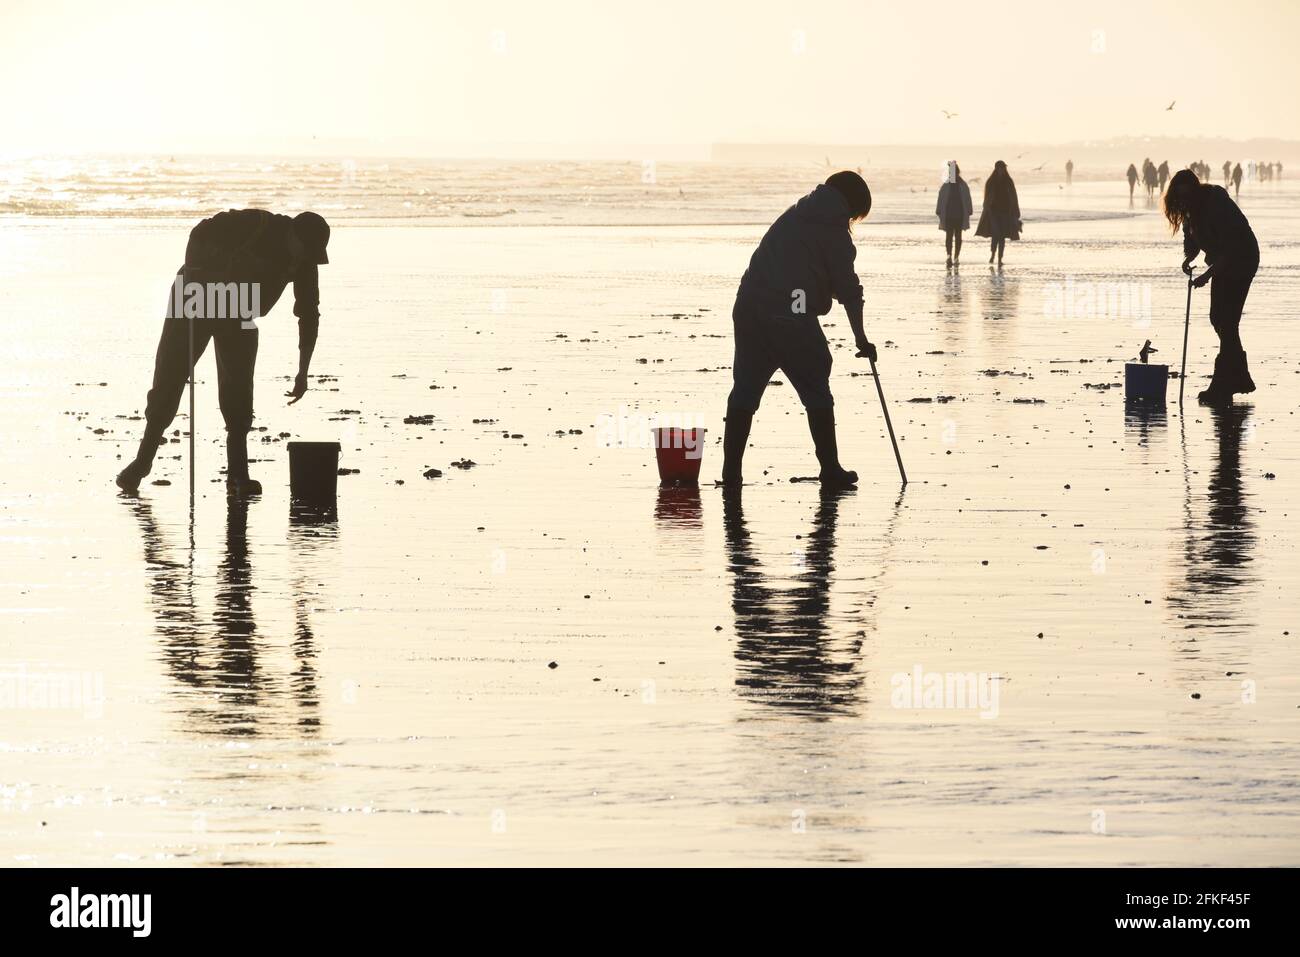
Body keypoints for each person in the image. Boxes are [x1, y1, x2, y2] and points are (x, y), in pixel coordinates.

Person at [115, 209, 330, 494]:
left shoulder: (304, 261)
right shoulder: (257, 224)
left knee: (239, 388)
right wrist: (198, 271)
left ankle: (238, 475)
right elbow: (199, 233)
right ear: (293, 235)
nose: (306, 259)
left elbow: (308, 314)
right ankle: (141, 464)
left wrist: (303, 371)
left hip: (241, 306)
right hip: (198, 296)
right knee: (170, 376)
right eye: (306, 251)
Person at [721, 171, 876, 488]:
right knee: (816, 384)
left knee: (745, 390)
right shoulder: (834, 231)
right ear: (852, 205)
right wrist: (861, 339)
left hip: (750, 304)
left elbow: (797, 269)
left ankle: (730, 473)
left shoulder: (795, 213)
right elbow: (848, 290)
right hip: (791, 313)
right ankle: (830, 468)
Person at [1164, 168, 1259, 405]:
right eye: (1179, 197)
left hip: (1242, 258)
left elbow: (1230, 249)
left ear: (1195, 192)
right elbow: (1192, 237)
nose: (1183, 201)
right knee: (1218, 319)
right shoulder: (1189, 209)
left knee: (1226, 321)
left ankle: (1224, 384)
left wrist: (1207, 276)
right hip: (1221, 260)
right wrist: (1189, 257)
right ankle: (1237, 377)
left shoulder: (1216, 204)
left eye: (1186, 196)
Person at [975, 160, 1021, 267]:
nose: (1002, 170)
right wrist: (986, 209)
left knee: (1002, 236)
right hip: (993, 212)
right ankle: (992, 254)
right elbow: (986, 197)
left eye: (1003, 168)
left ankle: (1000, 258)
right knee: (996, 235)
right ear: (997, 168)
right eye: (1001, 168)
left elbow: (1014, 196)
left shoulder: (1009, 181)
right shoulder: (991, 181)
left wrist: (1016, 211)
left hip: (1006, 212)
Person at [936, 161, 973, 268]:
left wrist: (969, 209)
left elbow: (967, 198)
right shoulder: (946, 185)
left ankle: (956, 257)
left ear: (957, 172)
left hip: (959, 214)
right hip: (949, 214)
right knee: (949, 236)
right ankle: (949, 255)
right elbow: (941, 198)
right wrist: (938, 209)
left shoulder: (962, 185)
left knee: (957, 236)